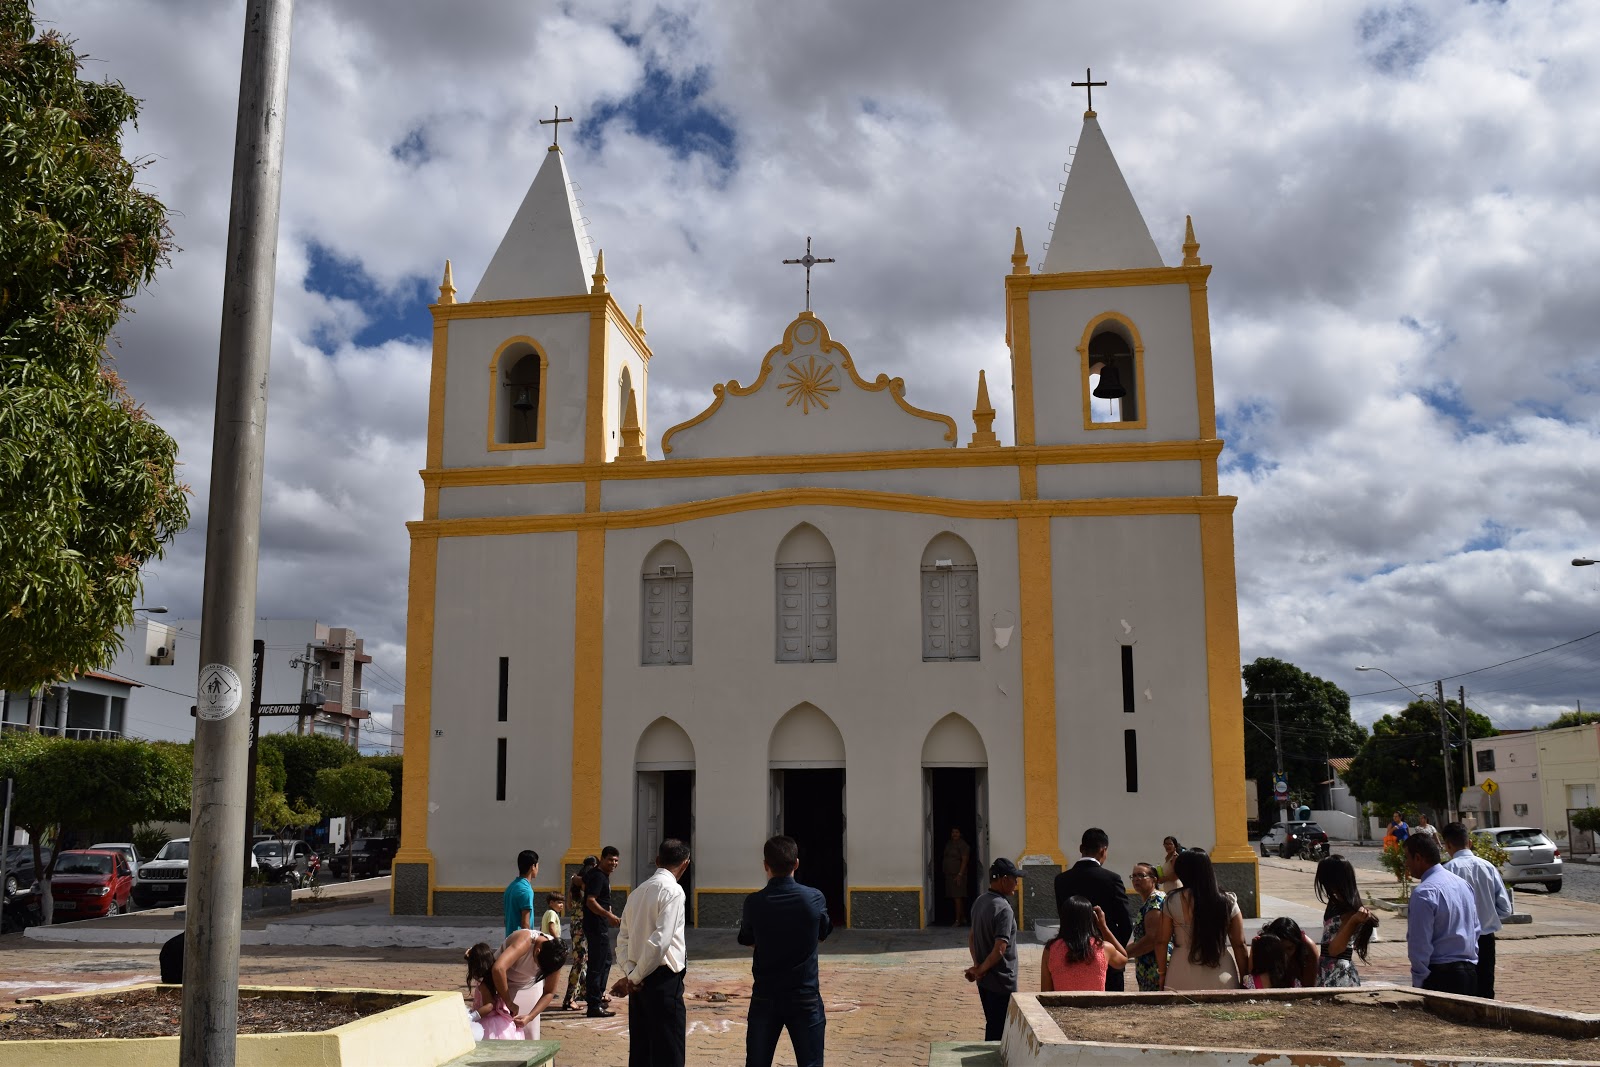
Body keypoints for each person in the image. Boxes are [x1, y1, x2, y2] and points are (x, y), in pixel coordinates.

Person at [739, 834, 833, 1067]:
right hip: (804, 994)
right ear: (797, 863)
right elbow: (822, 935)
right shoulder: (814, 898)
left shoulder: (754, 902)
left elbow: (748, 939)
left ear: (765, 865)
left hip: (766, 994)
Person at [612, 838, 691, 1067]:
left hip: (639, 983)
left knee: (642, 1050)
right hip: (662, 981)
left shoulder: (637, 892)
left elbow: (622, 940)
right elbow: (660, 943)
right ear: (685, 864)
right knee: (668, 1053)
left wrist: (631, 974)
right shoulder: (673, 891)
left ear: (657, 861)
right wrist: (633, 978)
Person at [1153, 849, 1247, 990]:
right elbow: (1239, 944)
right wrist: (1245, 977)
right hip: (1222, 972)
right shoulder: (1228, 901)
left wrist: (1162, 973)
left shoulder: (1171, 901)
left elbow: (1161, 941)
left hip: (1180, 972)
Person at [1053, 828, 1133, 991]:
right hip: (1104, 954)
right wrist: (1113, 948)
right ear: (1103, 850)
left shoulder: (1061, 880)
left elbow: (1063, 916)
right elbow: (1125, 923)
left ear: (1081, 849)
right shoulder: (1112, 879)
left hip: (1070, 952)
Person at [1442, 821, 1513, 999]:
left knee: (1463, 991)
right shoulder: (1488, 867)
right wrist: (1487, 914)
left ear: (1447, 845)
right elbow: (1505, 908)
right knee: (1486, 988)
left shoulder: (1448, 870)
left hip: (1459, 941)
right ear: (1470, 843)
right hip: (1486, 938)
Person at [1403, 834, 1480, 995]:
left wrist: (1419, 980)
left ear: (1418, 858)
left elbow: (1419, 943)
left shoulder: (1424, 893)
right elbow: (1475, 929)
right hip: (1469, 972)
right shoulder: (1462, 884)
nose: (1406, 864)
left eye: (1407, 858)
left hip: (1441, 976)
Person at [965, 858, 1021, 1041]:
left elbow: (972, 936)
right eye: (1014, 878)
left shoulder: (980, 901)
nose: (1017, 883)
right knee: (1000, 1032)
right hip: (1001, 981)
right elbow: (999, 950)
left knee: (993, 1023)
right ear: (1004, 879)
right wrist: (980, 969)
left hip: (984, 981)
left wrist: (977, 967)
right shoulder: (1004, 909)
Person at [1312, 855, 1378, 986]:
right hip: (1328, 970)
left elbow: (1335, 949)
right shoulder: (1336, 903)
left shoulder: (1349, 911)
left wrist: (1353, 922)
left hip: (1338, 975)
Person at [1041, 895, 1129, 992]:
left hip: (1064, 1006)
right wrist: (1103, 927)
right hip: (1095, 1006)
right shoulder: (1103, 948)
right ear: (1091, 920)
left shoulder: (1051, 950)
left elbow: (1046, 991)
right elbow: (1124, 959)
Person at [492, 928, 569, 1039]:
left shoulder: (556, 955)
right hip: (500, 981)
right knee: (499, 1031)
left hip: (528, 985)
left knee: (530, 1035)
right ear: (537, 951)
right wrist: (508, 1001)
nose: (538, 969)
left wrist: (530, 1017)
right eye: (539, 966)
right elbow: (498, 969)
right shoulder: (525, 939)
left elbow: (549, 992)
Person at [583, 846, 623, 1018]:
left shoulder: (596, 874)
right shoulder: (599, 876)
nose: (613, 863)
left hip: (598, 926)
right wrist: (608, 914)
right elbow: (590, 901)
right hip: (596, 926)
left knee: (606, 960)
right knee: (597, 965)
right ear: (602, 859)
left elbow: (581, 881)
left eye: (616, 860)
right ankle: (593, 1005)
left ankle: (597, 997)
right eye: (610, 859)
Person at [560, 855, 598, 1010]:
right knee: (580, 961)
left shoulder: (575, 884)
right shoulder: (586, 882)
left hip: (576, 924)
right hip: (583, 925)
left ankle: (583, 992)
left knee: (583, 959)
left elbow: (570, 904)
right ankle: (569, 999)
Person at [1123, 862, 1167, 992]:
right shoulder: (1148, 902)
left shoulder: (1155, 900)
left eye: (1141, 875)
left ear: (1154, 879)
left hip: (1155, 965)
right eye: (1134, 876)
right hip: (1146, 966)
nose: (1136, 879)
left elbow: (1152, 939)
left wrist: (1123, 954)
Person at [465, 941, 522, 1040]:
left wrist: (472, 1017)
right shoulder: (494, 978)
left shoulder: (484, 985)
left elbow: (489, 1006)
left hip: (489, 1024)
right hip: (500, 1022)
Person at [1259, 916, 1319, 988]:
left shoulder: (1308, 950)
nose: (1284, 954)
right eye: (1280, 949)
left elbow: (1308, 989)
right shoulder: (1264, 945)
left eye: (1289, 948)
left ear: (1297, 946)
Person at [504, 849, 538, 940]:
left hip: (509, 938)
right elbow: (525, 924)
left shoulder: (512, 886)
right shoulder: (526, 890)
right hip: (520, 942)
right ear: (533, 866)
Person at [943, 827, 972, 926]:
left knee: (957, 897)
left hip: (958, 875)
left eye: (957, 832)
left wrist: (960, 874)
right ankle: (963, 917)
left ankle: (957, 920)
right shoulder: (949, 843)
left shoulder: (962, 845)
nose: (954, 834)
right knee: (955, 897)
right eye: (953, 832)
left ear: (960, 834)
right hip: (950, 875)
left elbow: (964, 860)